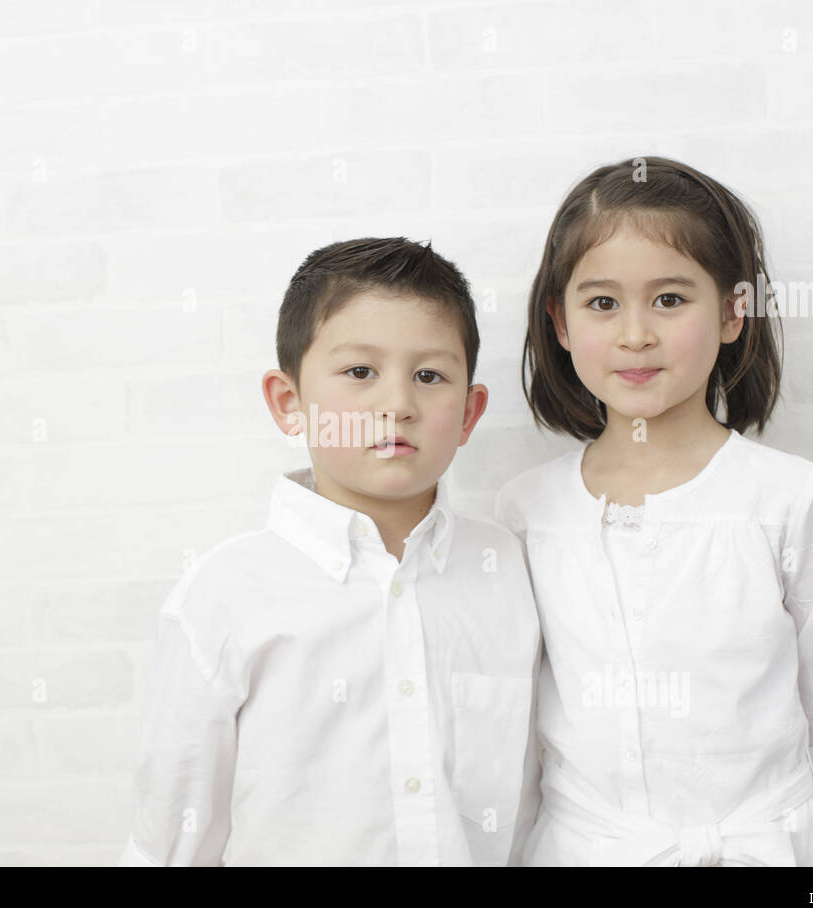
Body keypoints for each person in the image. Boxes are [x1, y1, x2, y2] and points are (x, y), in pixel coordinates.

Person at [496, 157, 813, 866]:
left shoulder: (793, 499)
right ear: (561, 322)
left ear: (733, 313)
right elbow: (517, 732)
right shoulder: (527, 512)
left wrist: (810, 840)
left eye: (670, 300)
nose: (635, 334)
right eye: (602, 304)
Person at [122, 237, 542, 866]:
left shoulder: (512, 572)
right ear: (290, 403)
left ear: (468, 413)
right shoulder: (224, 598)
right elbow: (172, 840)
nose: (397, 405)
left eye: (429, 376)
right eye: (359, 373)